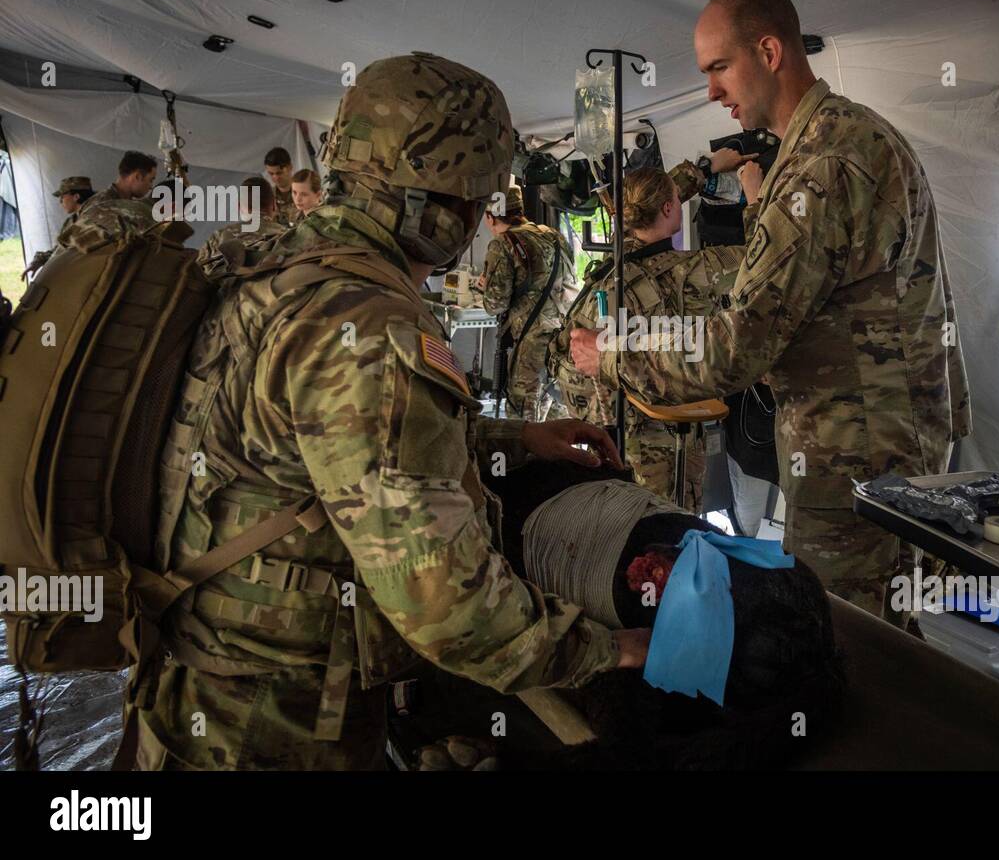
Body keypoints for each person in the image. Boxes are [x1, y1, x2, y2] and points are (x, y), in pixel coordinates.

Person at [125, 53, 648, 770]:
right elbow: (446, 606)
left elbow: (327, 444)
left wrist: (518, 437)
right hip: (272, 718)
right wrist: (610, 649)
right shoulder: (367, 325)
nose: (473, 222)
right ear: (440, 203)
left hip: (199, 669)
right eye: (472, 202)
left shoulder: (273, 266)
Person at [571, 0, 971, 621]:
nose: (711, 92)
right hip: (883, 438)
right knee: (884, 630)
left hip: (857, 455)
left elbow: (736, 345)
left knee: (846, 636)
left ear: (769, 50)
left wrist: (613, 355)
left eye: (719, 69)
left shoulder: (823, 166)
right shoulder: (849, 137)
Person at [551, 166, 743, 511]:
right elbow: (765, 255)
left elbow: (644, 205)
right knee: (670, 527)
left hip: (608, 430)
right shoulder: (697, 270)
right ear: (670, 209)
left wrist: (703, 170)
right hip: (666, 436)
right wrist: (756, 197)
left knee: (623, 525)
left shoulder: (614, 266)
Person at [478, 184, 575, 421]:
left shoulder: (503, 244)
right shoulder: (554, 236)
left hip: (531, 349)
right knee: (559, 426)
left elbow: (496, 305)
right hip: (565, 342)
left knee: (524, 427)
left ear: (490, 217)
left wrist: (485, 286)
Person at [194, 176, 285, 278]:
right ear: (274, 205)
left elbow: (196, 272)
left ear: (239, 206)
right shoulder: (286, 235)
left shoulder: (218, 237)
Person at [23, 176, 96, 276]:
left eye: (62, 197)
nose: (60, 201)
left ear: (76, 197)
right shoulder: (71, 221)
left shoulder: (95, 217)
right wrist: (39, 260)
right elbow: (60, 249)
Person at [263, 146, 295, 225]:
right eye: (271, 174)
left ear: (290, 167)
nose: (275, 178)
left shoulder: (307, 191)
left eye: (279, 173)